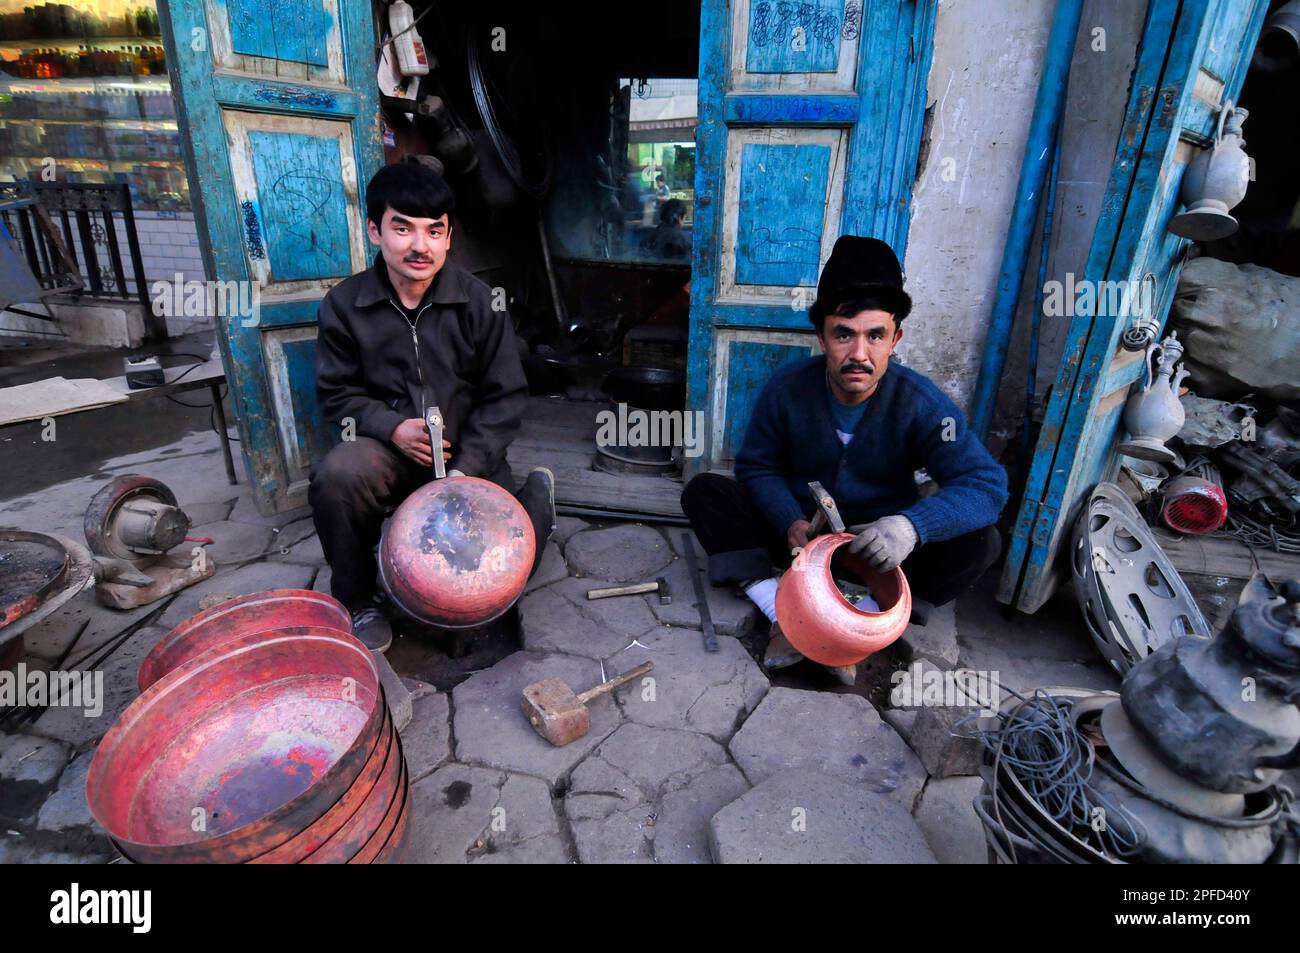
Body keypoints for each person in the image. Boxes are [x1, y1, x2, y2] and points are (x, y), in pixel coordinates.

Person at [680, 235, 1008, 684]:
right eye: (843, 335)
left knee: (981, 541)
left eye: (875, 336)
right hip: (800, 545)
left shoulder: (921, 404)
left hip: (878, 552)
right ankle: (782, 610)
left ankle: (865, 616)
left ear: (896, 338)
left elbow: (986, 485)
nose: (859, 354)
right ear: (822, 336)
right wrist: (788, 520)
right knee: (706, 492)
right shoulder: (788, 389)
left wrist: (910, 528)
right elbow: (758, 467)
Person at [309, 161, 554, 652]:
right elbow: (337, 396)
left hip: (469, 456)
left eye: (434, 230)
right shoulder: (344, 304)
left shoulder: (481, 302)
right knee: (338, 475)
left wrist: (467, 469)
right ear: (376, 230)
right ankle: (358, 600)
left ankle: (536, 498)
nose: (419, 245)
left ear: (448, 238)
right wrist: (392, 427)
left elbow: (505, 396)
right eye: (403, 228)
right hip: (391, 452)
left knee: (485, 588)